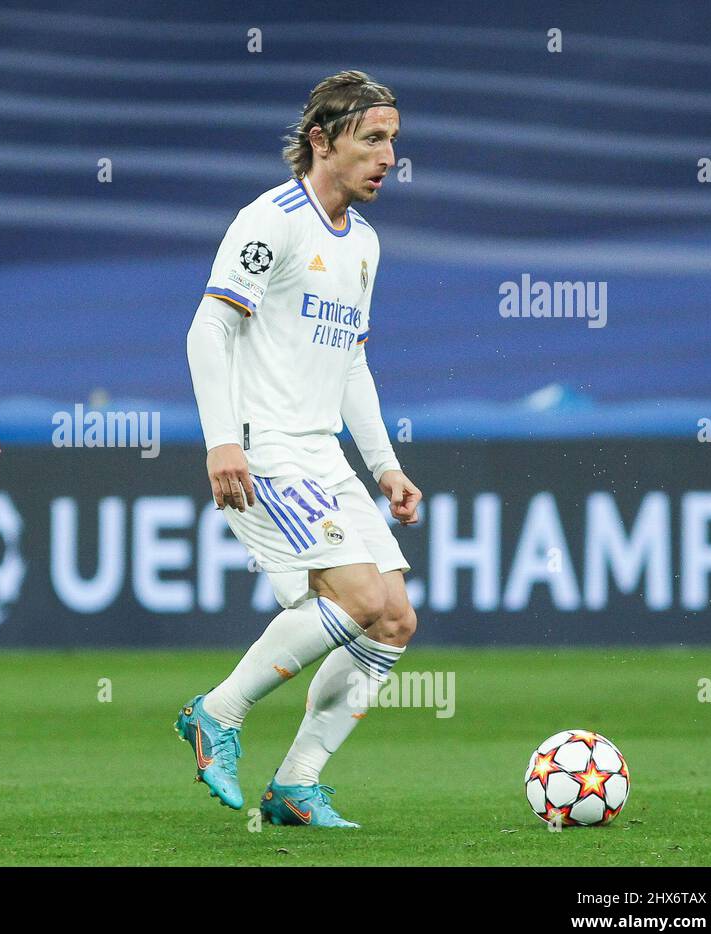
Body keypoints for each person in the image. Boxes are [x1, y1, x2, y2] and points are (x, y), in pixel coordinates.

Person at [179, 71, 420, 829]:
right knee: (359, 598)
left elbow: (350, 360)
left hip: (322, 452)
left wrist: (384, 465)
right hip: (264, 447)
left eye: (393, 142)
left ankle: (295, 783)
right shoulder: (272, 220)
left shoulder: (366, 244)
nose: (387, 157)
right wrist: (223, 441)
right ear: (321, 139)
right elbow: (207, 329)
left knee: (394, 620)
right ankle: (216, 713)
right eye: (371, 139)